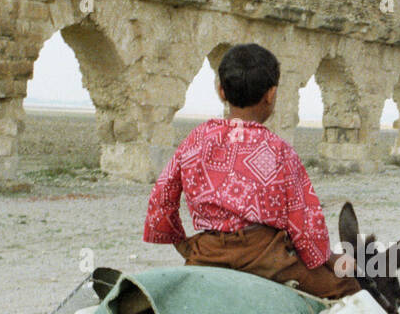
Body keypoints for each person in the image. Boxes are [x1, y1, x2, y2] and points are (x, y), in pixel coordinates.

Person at [143, 43, 359, 300]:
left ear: (221, 91)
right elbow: (305, 221)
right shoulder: (280, 150)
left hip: (208, 253)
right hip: (267, 257)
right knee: (347, 290)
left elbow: (161, 198)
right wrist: (326, 259)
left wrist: (184, 245)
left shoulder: (196, 139)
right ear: (271, 94)